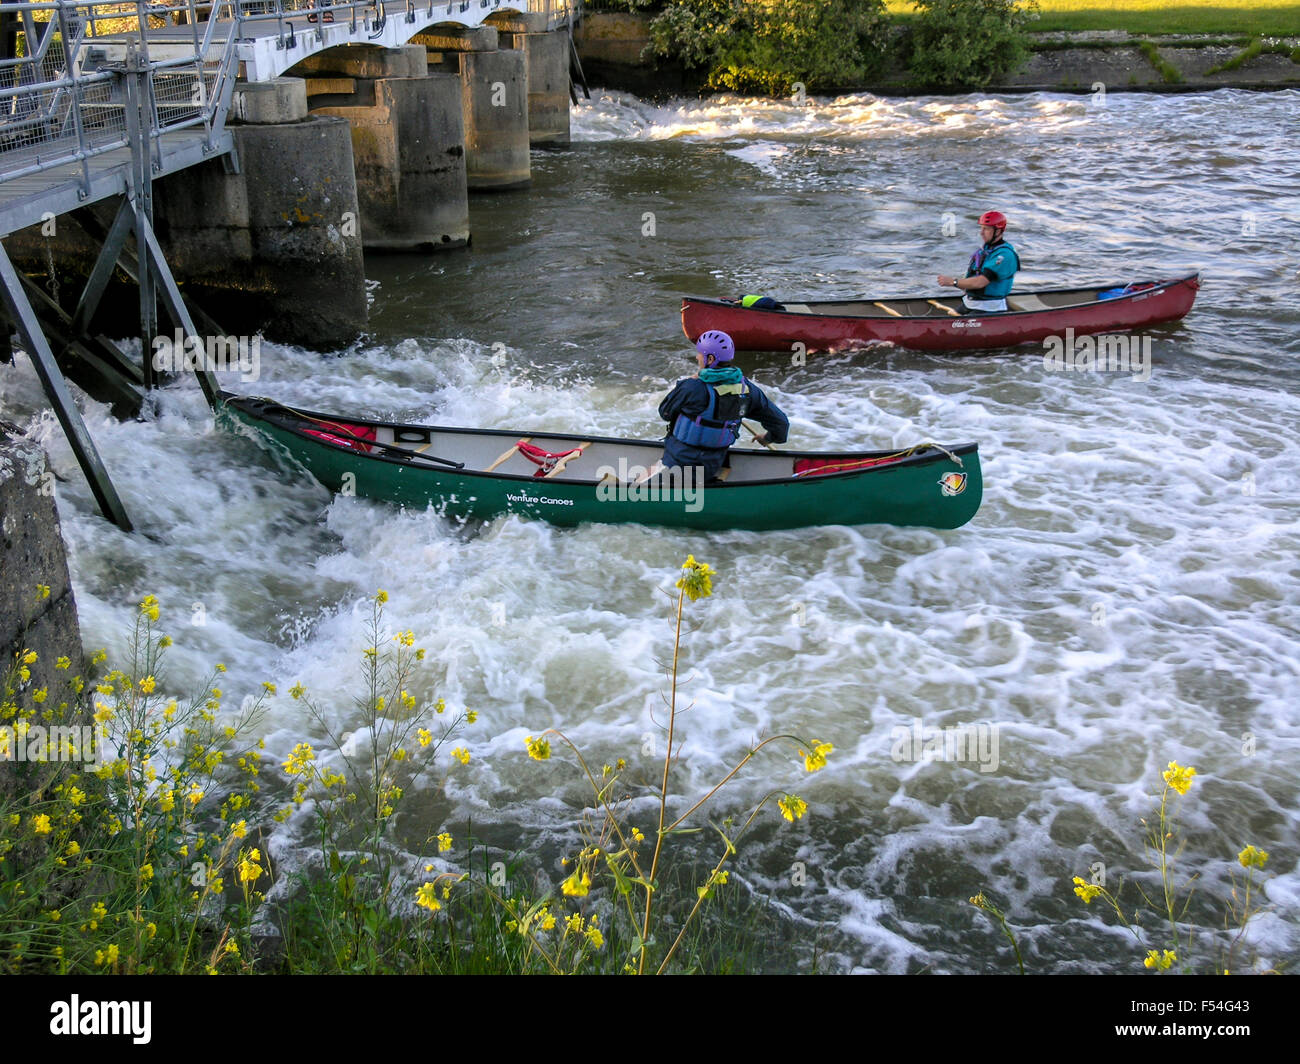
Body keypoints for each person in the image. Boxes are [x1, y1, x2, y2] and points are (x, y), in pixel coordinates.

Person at [659, 330, 789, 483]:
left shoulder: (692, 387)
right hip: (712, 464)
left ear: (710, 359)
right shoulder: (747, 390)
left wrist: (686, 383)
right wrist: (768, 438)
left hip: (677, 464)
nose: (697, 357)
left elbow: (665, 413)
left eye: (700, 353)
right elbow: (781, 424)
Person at [937, 210, 1020, 313]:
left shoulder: (1005, 255)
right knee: (948, 322)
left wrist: (953, 282)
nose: (981, 232)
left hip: (990, 307)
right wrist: (960, 284)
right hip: (971, 303)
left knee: (955, 327)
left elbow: (980, 282)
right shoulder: (984, 251)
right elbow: (971, 279)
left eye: (986, 229)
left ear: (998, 231)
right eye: (981, 228)